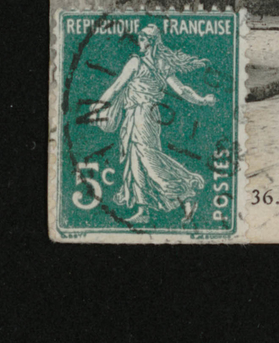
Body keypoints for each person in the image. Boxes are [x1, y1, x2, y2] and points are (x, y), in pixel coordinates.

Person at [88, 24, 217, 224]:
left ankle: (185, 192)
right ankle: (143, 210)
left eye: (142, 38)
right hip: (139, 115)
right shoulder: (159, 64)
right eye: (139, 38)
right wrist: (201, 100)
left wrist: (98, 106)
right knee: (135, 161)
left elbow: (116, 87)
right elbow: (181, 90)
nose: (139, 42)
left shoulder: (137, 62)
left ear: (151, 41)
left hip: (143, 115)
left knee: (149, 159)